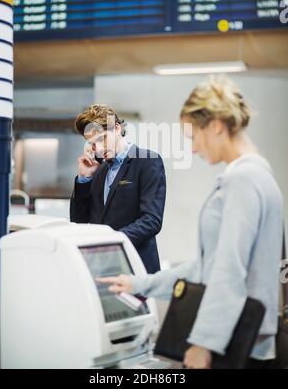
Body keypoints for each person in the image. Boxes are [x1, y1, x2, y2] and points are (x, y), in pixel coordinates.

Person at [97, 76, 283, 369]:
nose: (193, 149)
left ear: (217, 126)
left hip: (236, 345)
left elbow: (227, 271)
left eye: (193, 137)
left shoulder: (243, 180)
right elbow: (207, 265)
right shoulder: (259, 174)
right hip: (244, 339)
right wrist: (138, 283)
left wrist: (203, 343)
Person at [70, 104, 166, 273]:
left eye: (102, 139)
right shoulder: (98, 171)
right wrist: (84, 179)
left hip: (136, 267)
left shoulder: (147, 161)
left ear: (116, 128)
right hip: (101, 268)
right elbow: (80, 222)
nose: (98, 149)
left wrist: (112, 242)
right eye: (92, 144)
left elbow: (151, 221)